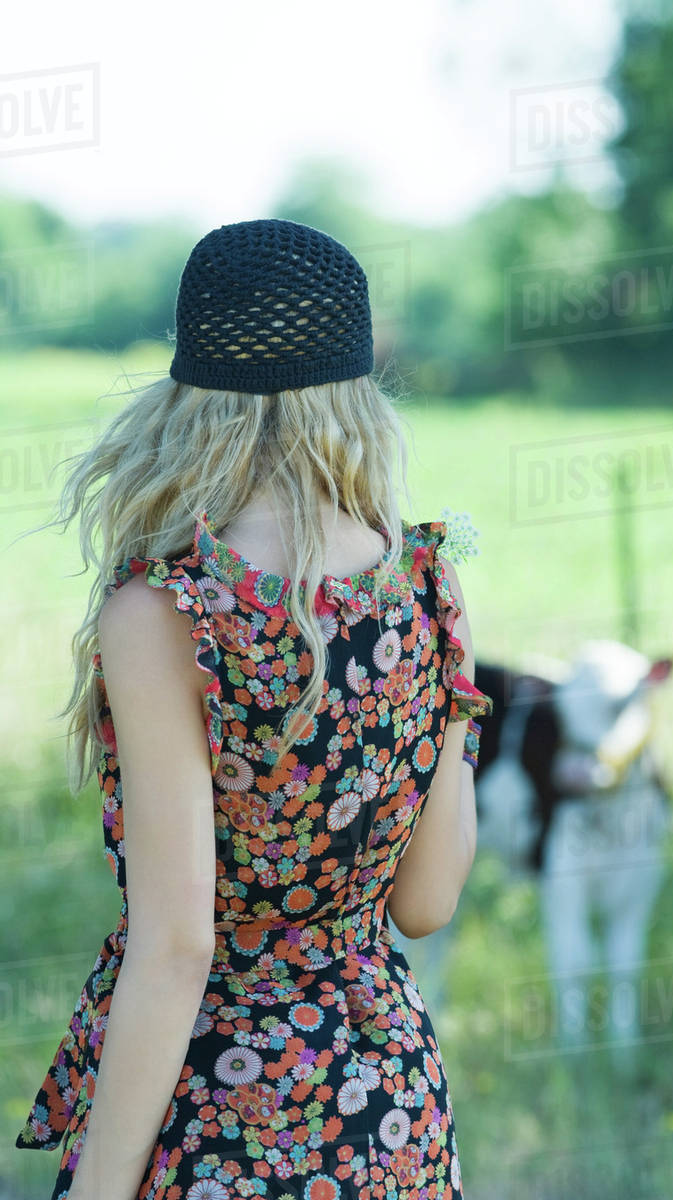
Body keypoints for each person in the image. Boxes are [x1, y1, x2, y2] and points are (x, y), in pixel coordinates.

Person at [14, 218, 493, 1200]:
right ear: (356, 389)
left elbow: (178, 945)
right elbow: (426, 904)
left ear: (189, 391)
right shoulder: (428, 583)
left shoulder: (169, 613)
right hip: (390, 1113)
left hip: (224, 1121)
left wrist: (100, 1186)